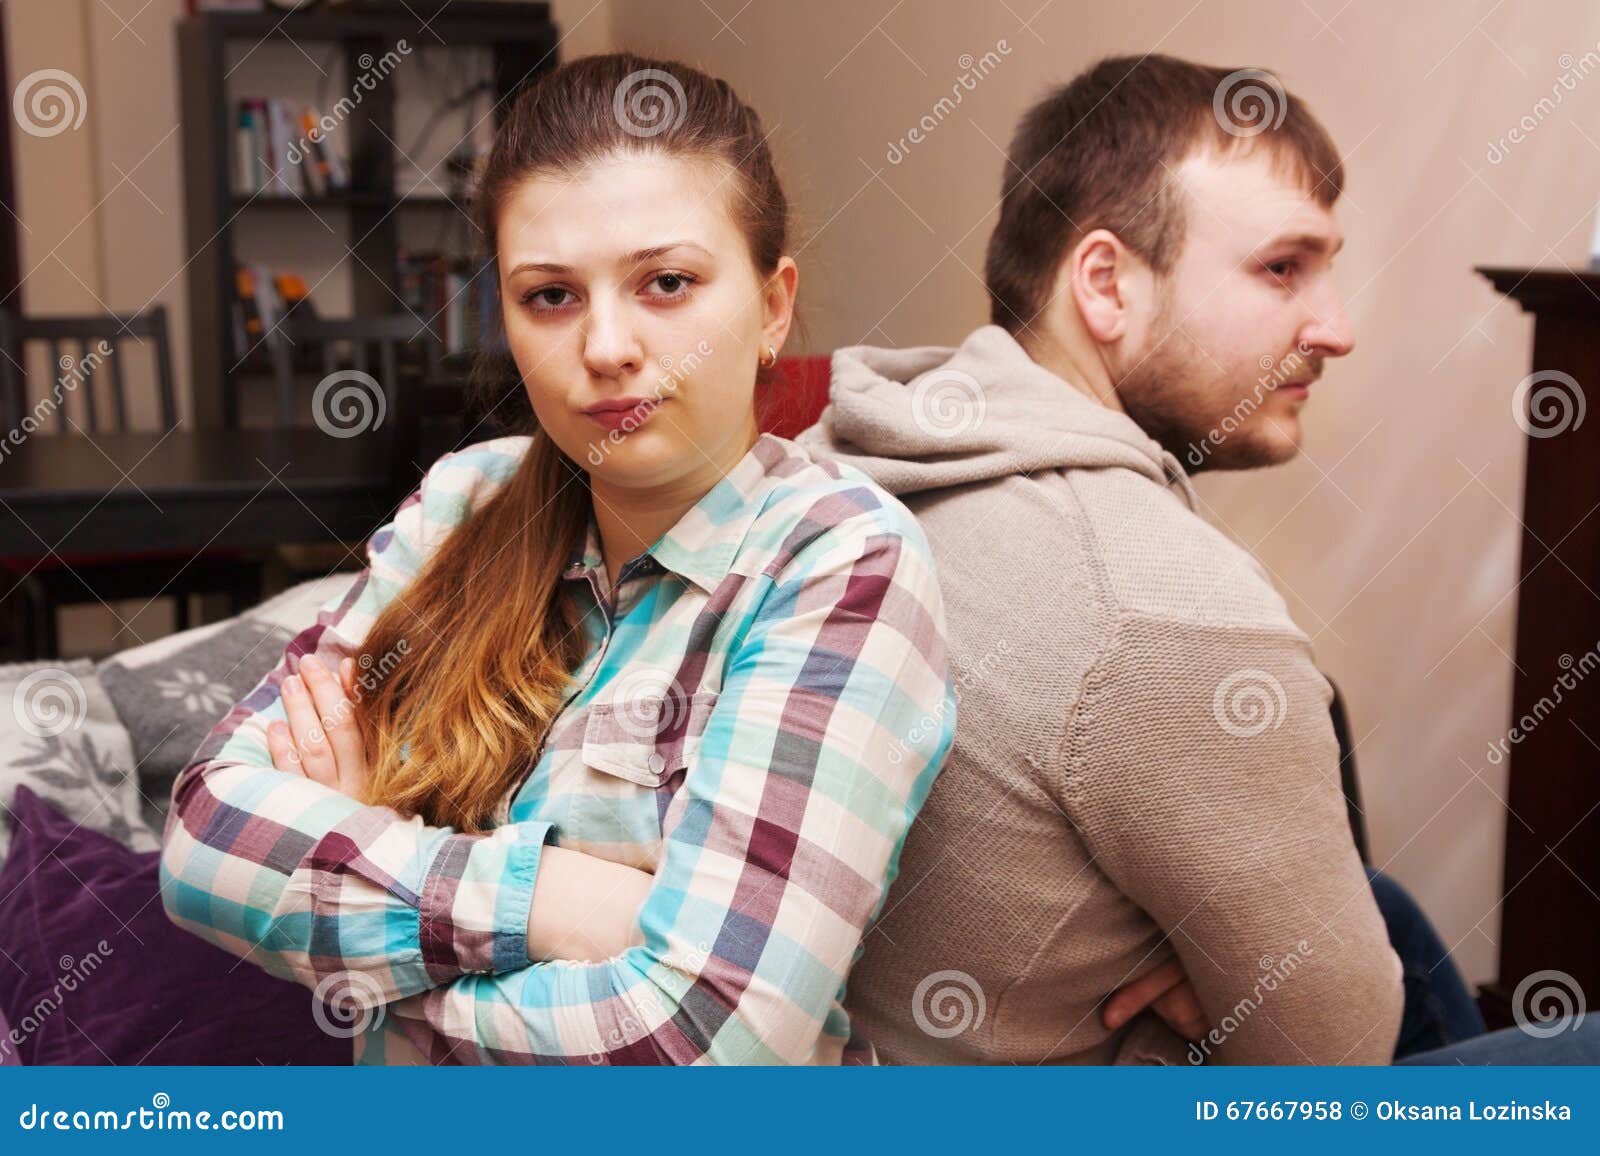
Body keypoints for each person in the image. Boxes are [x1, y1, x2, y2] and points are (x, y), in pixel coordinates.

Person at [160, 52, 956, 1066]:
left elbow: (700, 1046)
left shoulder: (841, 559)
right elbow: (202, 838)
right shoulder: (467, 500)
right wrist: (562, 905)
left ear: (771, 306)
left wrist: (362, 870)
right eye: (549, 297)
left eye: (666, 283)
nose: (607, 345)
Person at [800, 53, 1463, 1065]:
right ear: (1105, 284)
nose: (1336, 328)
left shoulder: (854, 453)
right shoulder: (1163, 609)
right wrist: (1189, 1029)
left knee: (1387, 919)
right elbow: (1330, 1066)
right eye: (1281, 268)